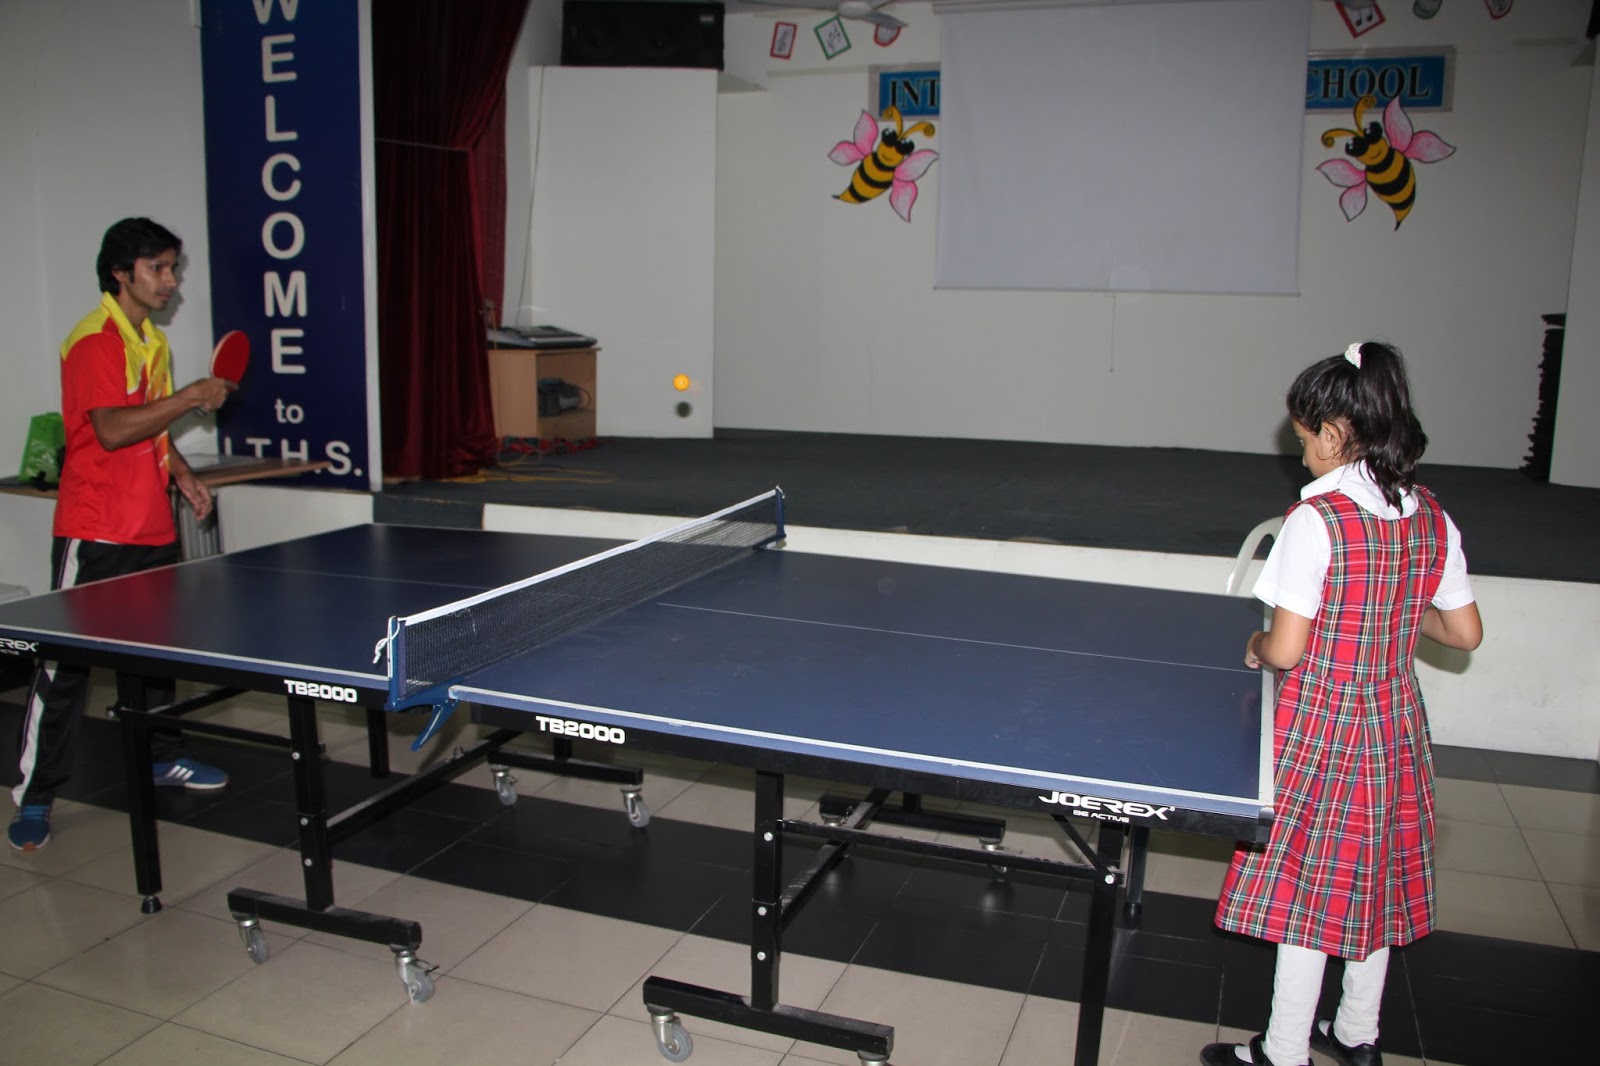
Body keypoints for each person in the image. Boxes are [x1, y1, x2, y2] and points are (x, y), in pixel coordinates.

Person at [1202, 341, 1483, 1066]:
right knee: (1374, 877)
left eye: (1303, 442)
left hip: (1327, 724)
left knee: (1309, 888)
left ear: (1334, 434)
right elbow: (1463, 630)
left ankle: (1284, 1050)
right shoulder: (1429, 516)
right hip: (1394, 721)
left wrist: (1257, 646)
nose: (1300, 459)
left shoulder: (1316, 521)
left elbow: (1288, 648)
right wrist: (1390, 605)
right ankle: (1357, 1035)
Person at [8, 218, 237, 852]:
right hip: (97, 529)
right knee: (64, 667)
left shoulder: (148, 342)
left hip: (149, 525)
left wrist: (183, 475)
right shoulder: (95, 342)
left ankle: (162, 755)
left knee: (154, 658)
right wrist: (193, 394)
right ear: (121, 272)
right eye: (159, 268)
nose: (170, 280)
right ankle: (35, 793)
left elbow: (150, 430)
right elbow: (110, 430)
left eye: (173, 268)